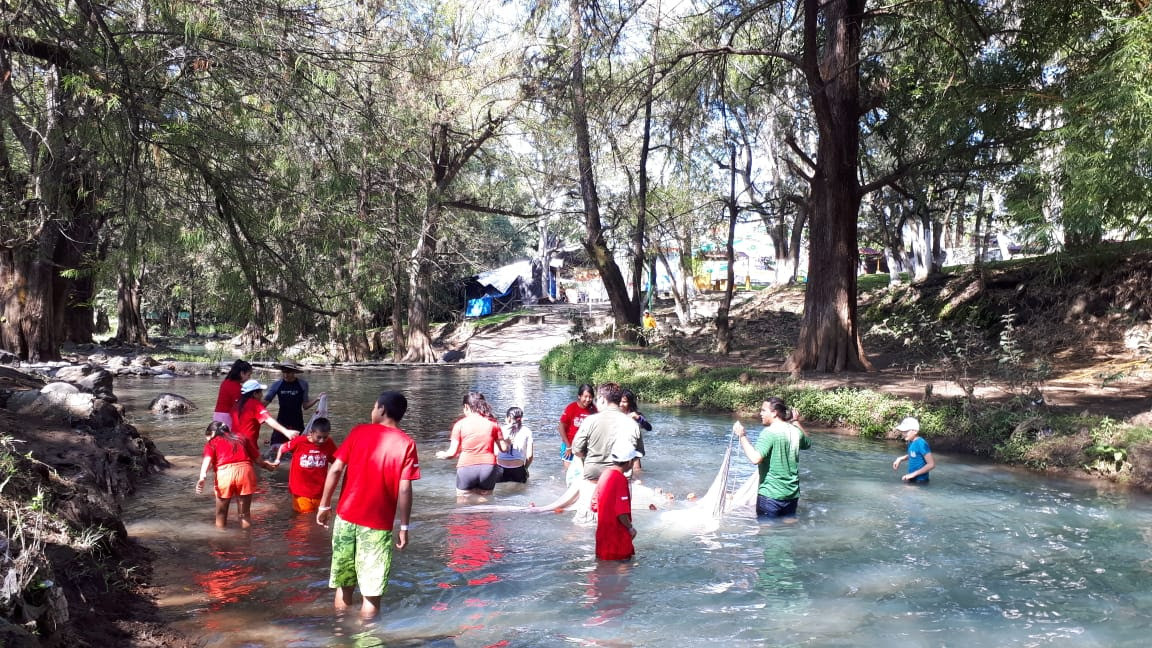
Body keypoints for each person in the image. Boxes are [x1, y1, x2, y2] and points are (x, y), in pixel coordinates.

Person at [316, 391, 420, 620]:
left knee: (344, 585)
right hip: (377, 526)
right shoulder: (406, 444)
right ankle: (367, 640)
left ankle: (340, 634)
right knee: (371, 594)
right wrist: (404, 527)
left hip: (345, 519)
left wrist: (324, 506)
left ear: (381, 409)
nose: (372, 411)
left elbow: (335, 469)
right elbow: (404, 488)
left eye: (374, 407)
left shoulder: (358, 431)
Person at [732, 397, 811, 519]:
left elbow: (755, 458)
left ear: (774, 413)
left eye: (764, 410)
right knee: (787, 529)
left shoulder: (769, 433)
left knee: (766, 534)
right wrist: (795, 421)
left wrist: (742, 436)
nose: (760, 413)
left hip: (770, 497)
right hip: (792, 495)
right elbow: (808, 442)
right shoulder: (795, 432)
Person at [195, 421, 277, 528]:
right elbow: (258, 461)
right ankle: (246, 541)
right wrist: (268, 466)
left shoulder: (212, 442)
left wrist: (202, 477)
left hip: (225, 474)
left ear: (213, 433)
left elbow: (207, 460)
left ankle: (220, 543)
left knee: (221, 514)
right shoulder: (241, 437)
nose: (207, 439)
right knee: (244, 515)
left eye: (208, 436)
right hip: (245, 472)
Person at [435, 393, 509, 496]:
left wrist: (442, 454)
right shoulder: (493, 423)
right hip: (488, 468)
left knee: (463, 502)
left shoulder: (459, 425)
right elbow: (504, 448)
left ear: (466, 406)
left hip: (466, 467)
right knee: (486, 501)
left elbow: (452, 453)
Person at [572, 382, 643, 482]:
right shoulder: (633, 424)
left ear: (602, 399)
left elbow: (577, 451)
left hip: (594, 477)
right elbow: (637, 455)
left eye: (596, 399)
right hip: (622, 479)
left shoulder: (589, 421)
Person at [275, 417, 339, 513]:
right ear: (311, 433)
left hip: (319, 490)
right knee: (304, 520)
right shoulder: (299, 442)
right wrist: (277, 460)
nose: (321, 440)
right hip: (301, 490)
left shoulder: (329, 443)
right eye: (319, 437)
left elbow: (337, 461)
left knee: (318, 517)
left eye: (325, 437)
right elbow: (282, 447)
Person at [591, 445, 640, 561]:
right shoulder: (620, 480)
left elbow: (594, 505)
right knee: (624, 572)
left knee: (603, 572)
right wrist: (630, 528)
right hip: (617, 539)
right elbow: (621, 512)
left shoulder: (605, 474)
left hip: (602, 538)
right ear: (629, 461)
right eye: (633, 460)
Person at [263, 361, 323, 449]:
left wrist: (317, 399)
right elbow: (265, 402)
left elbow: (305, 406)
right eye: (284, 372)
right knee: (275, 448)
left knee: (301, 447)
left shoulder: (303, 384)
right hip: (282, 421)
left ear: (294, 372)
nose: (286, 375)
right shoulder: (277, 384)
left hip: (297, 421)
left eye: (288, 372)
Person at [232, 379, 300, 448]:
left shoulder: (236, 404)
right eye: (260, 392)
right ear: (255, 394)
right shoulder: (255, 404)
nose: (262, 395)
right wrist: (286, 432)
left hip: (234, 443)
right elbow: (268, 420)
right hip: (248, 446)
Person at [559, 384, 597, 469]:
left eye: (590, 397)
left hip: (586, 447)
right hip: (569, 446)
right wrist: (568, 446)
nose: (588, 400)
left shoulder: (594, 410)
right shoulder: (571, 408)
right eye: (585, 396)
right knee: (569, 474)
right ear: (579, 396)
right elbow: (561, 427)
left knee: (584, 474)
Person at [495, 406, 533, 484]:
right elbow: (530, 456)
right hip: (518, 470)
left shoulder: (500, 430)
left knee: (500, 495)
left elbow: (495, 453)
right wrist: (525, 469)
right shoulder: (527, 431)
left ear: (508, 418)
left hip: (500, 469)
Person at [892, 416, 935, 483]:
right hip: (913, 478)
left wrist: (913, 474)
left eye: (906, 431)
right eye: (902, 431)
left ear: (915, 431)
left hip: (921, 481)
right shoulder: (911, 442)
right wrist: (900, 459)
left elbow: (931, 464)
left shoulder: (921, 443)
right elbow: (914, 455)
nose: (903, 434)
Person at [618, 389, 650, 474]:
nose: (621, 404)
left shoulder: (635, 415)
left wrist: (638, 418)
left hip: (634, 450)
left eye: (624, 402)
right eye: (619, 401)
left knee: (637, 473)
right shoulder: (614, 414)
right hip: (618, 450)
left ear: (630, 403)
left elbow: (648, 427)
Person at [212, 360, 252, 425]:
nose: (249, 378)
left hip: (217, 415)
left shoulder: (226, 382)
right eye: (248, 375)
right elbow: (238, 408)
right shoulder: (236, 388)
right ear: (242, 373)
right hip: (226, 418)